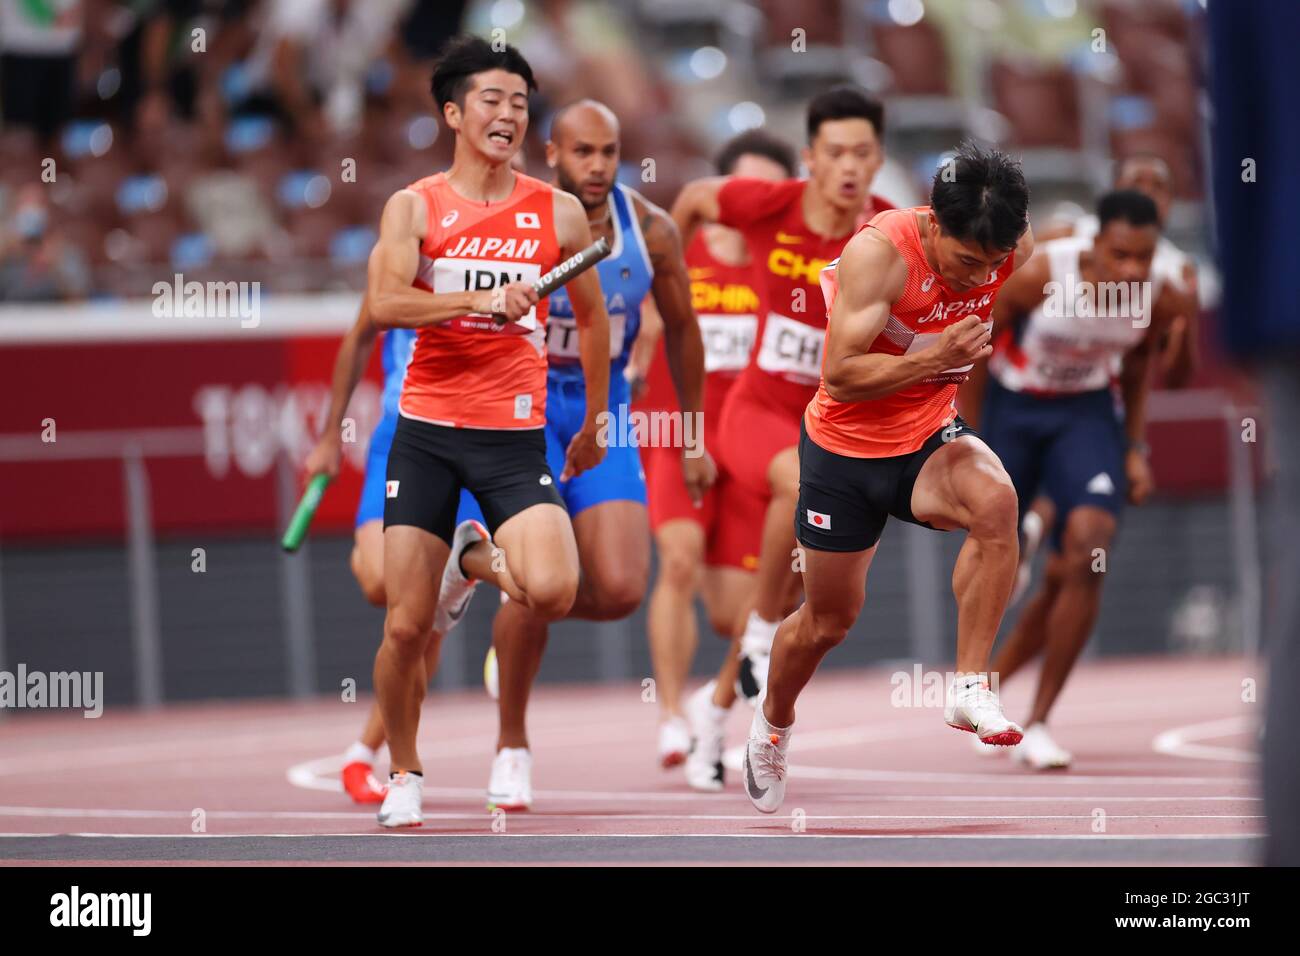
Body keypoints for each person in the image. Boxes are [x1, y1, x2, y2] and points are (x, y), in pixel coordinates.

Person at [742, 142, 1035, 814]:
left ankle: (969, 687)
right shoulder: (881, 254)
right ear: (934, 224)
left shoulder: (1006, 244)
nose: (976, 279)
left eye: (990, 266)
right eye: (965, 263)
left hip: (927, 441)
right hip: (843, 452)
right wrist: (935, 356)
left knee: (996, 501)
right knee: (828, 621)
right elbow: (840, 375)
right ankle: (773, 722)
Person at [365, 35, 610, 828]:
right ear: (453, 114)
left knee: (554, 589)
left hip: (512, 436)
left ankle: (469, 559)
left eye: (518, 102)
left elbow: (596, 318)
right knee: (405, 626)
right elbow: (385, 305)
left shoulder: (559, 211)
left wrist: (598, 419)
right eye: (491, 101)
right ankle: (404, 771)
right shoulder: (416, 206)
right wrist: (474, 302)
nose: (507, 114)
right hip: (428, 432)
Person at [460, 98, 711, 810]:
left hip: (608, 414)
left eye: (609, 152)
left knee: (620, 587)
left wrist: (692, 435)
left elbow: (686, 332)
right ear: (552, 154)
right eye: (583, 153)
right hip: (525, 412)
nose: (598, 166)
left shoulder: (651, 230)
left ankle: (515, 605)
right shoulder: (515, 222)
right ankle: (512, 745)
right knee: (544, 581)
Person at [670, 88, 894, 721]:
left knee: (818, 580)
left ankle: (716, 711)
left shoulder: (890, 233)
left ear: (879, 159)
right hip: (758, 411)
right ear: (810, 159)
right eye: (836, 153)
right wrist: (669, 278)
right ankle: (763, 636)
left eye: (863, 153)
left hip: (836, 428)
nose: (850, 167)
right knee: (798, 491)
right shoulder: (770, 204)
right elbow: (690, 200)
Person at [966, 190, 1179, 769]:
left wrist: (1133, 447)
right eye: (1120, 255)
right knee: (992, 547)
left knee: (1087, 553)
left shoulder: (1161, 295)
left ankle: (1036, 721)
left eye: (1144, 256)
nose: (1131, 269)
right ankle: (1027, 531)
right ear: (1094, 243)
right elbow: (977, 343)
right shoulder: (1041, 276)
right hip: (1016, 407)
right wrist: (970, 434)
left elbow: (1136, 372)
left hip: (1084, 414)